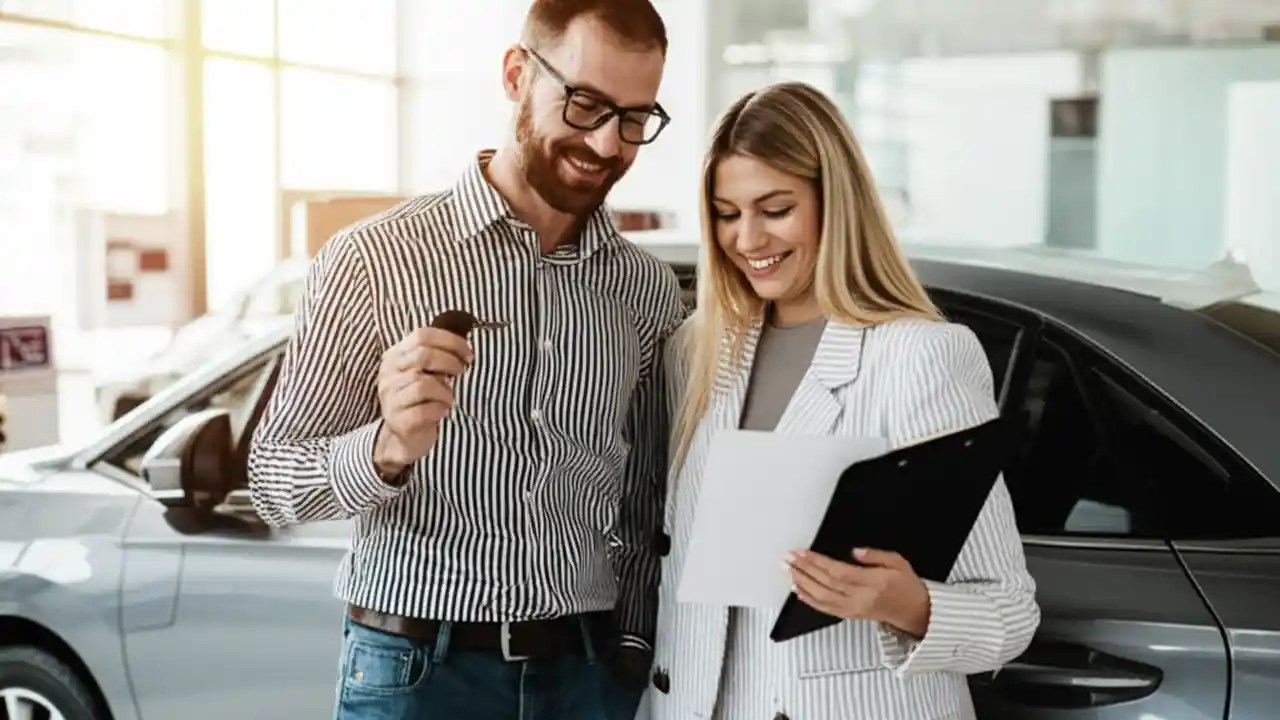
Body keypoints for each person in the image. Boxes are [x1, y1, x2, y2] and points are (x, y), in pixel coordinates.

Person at [247, 1, 685, 718]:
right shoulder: (374, 260)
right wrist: (386, 450)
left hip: (583, 675)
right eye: (584, 105)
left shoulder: (644, 291)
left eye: (634, 119)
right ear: (517, 75)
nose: (608, 144)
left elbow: (645, 508)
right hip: (416, 674)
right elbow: (272, 481)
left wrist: (630, 651)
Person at [647, 82, 1040, 719]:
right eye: (726, 213)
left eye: (775, 209)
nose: (747, 239)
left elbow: (1009, 613)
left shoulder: (918, 356)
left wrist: (902, 602)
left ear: (836, 203)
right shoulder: (695, 352)